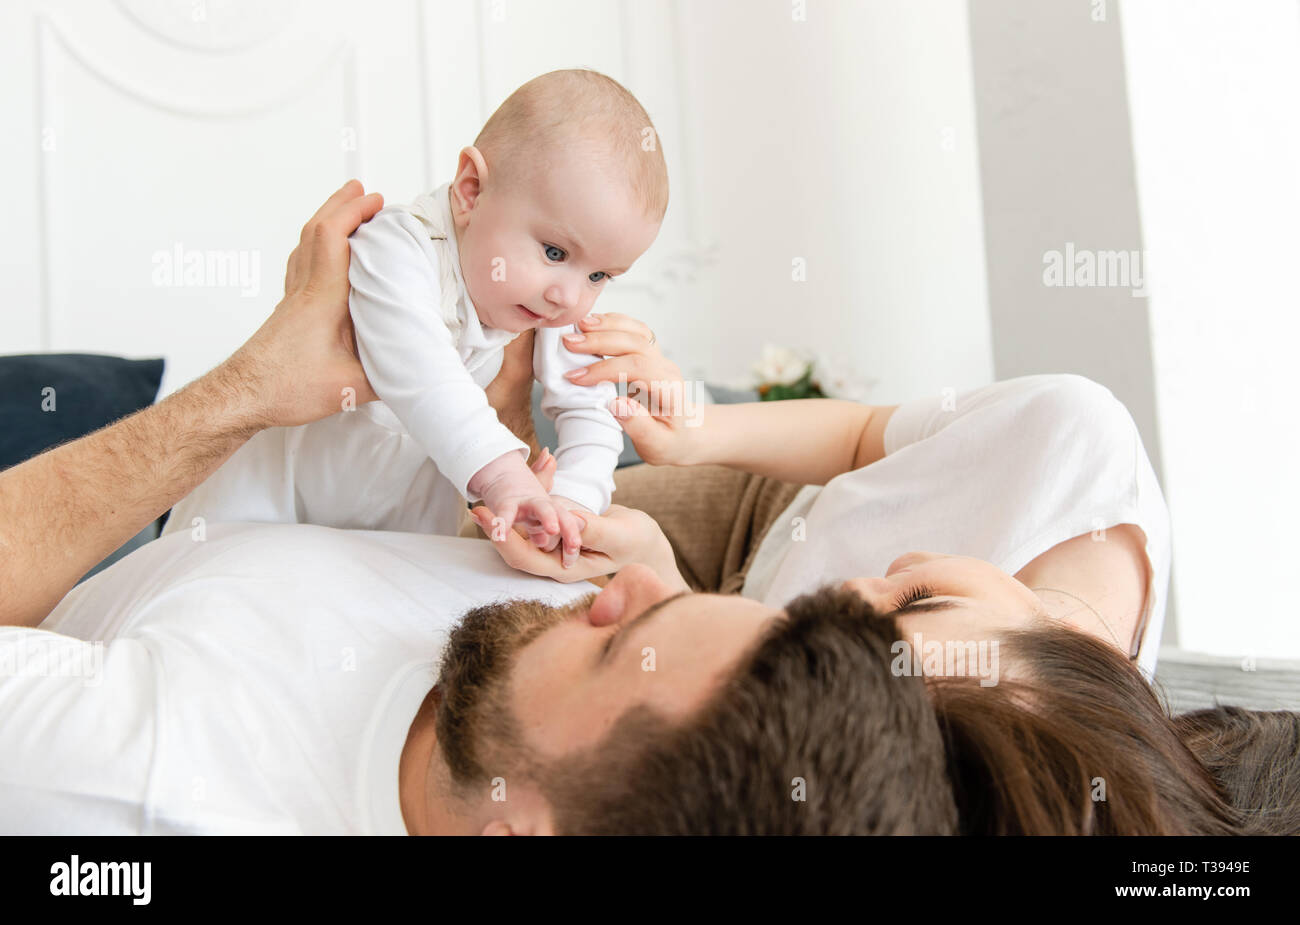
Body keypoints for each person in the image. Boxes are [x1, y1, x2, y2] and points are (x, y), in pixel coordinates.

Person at [0, 181, 956, 835]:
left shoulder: (140, 780)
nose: (619, 592)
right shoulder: (547, 637)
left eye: (618, 644)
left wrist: (248, 389)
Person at [468, 313, 1299, 834]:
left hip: (731, 652)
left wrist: (668, 590)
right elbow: (868, 435)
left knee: (514, 572)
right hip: (763, 514)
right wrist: (698, 429)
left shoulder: (983, 764)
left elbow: (770, 708)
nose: (844, 592)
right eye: (920, 597)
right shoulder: (1069, 435)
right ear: (1051, 631)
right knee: (492, 514)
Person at [164, 69, 668, 567]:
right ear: (471, 190)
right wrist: (503, 477)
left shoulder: (550, 302)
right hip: (262, 513)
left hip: (393, 544)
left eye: (601, 275)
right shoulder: (398, 244)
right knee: (219, 586)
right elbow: (419, 368)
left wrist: (571, 511)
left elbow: (591, 413)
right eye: (555, 252)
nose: (570, 296)